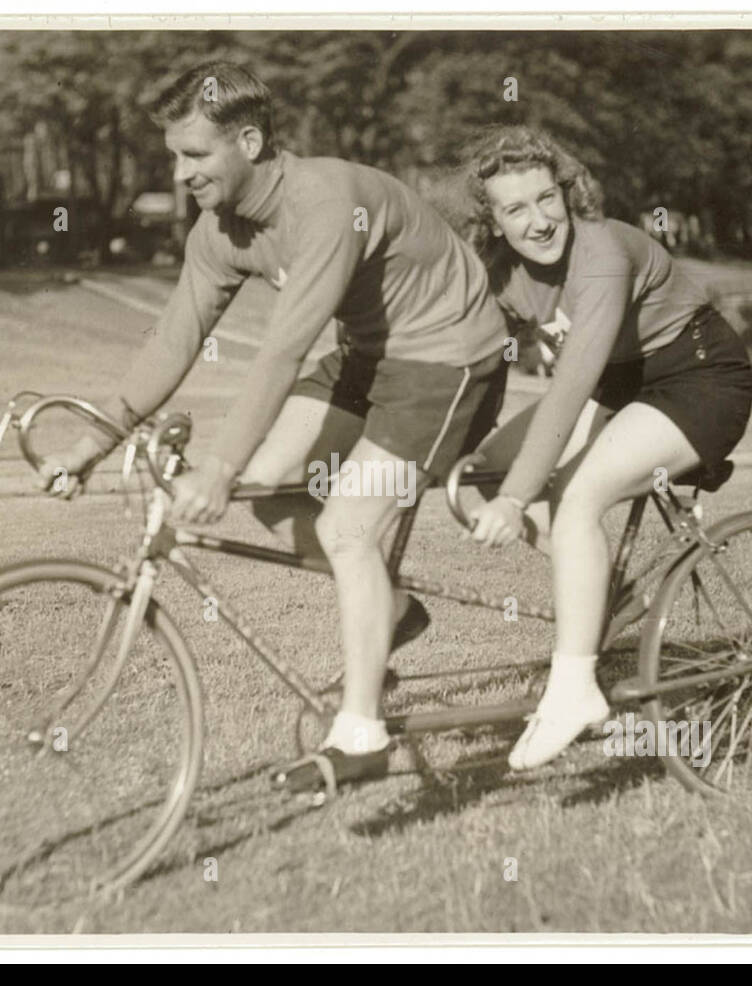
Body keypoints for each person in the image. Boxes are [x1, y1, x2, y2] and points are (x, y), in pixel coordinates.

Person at [39, 63, 509, 789]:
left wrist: (218, 465)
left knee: (348, 524)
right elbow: (172, 339)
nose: (180, 171)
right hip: (369, 355)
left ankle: (360, 733)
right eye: (174, 154)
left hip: (449, 357)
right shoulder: (218, 231)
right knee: (264, 488)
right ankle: (395, 608)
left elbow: (286, 347)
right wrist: (90, 443)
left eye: (194, 154)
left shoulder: (325, 200)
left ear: (250, 141)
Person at [455, 125, 752, 770]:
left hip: (698, 378)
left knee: (578, 497)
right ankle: (607, 598)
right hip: (627, 386)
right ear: (493, 223)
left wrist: (518, 498)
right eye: (515, 209)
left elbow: (568, 391)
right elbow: (475, 362)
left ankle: (574, 691)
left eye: (547, 198)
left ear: (567, 191)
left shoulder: (600, 252)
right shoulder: (500, 274)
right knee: (476, 475)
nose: (539, 221)